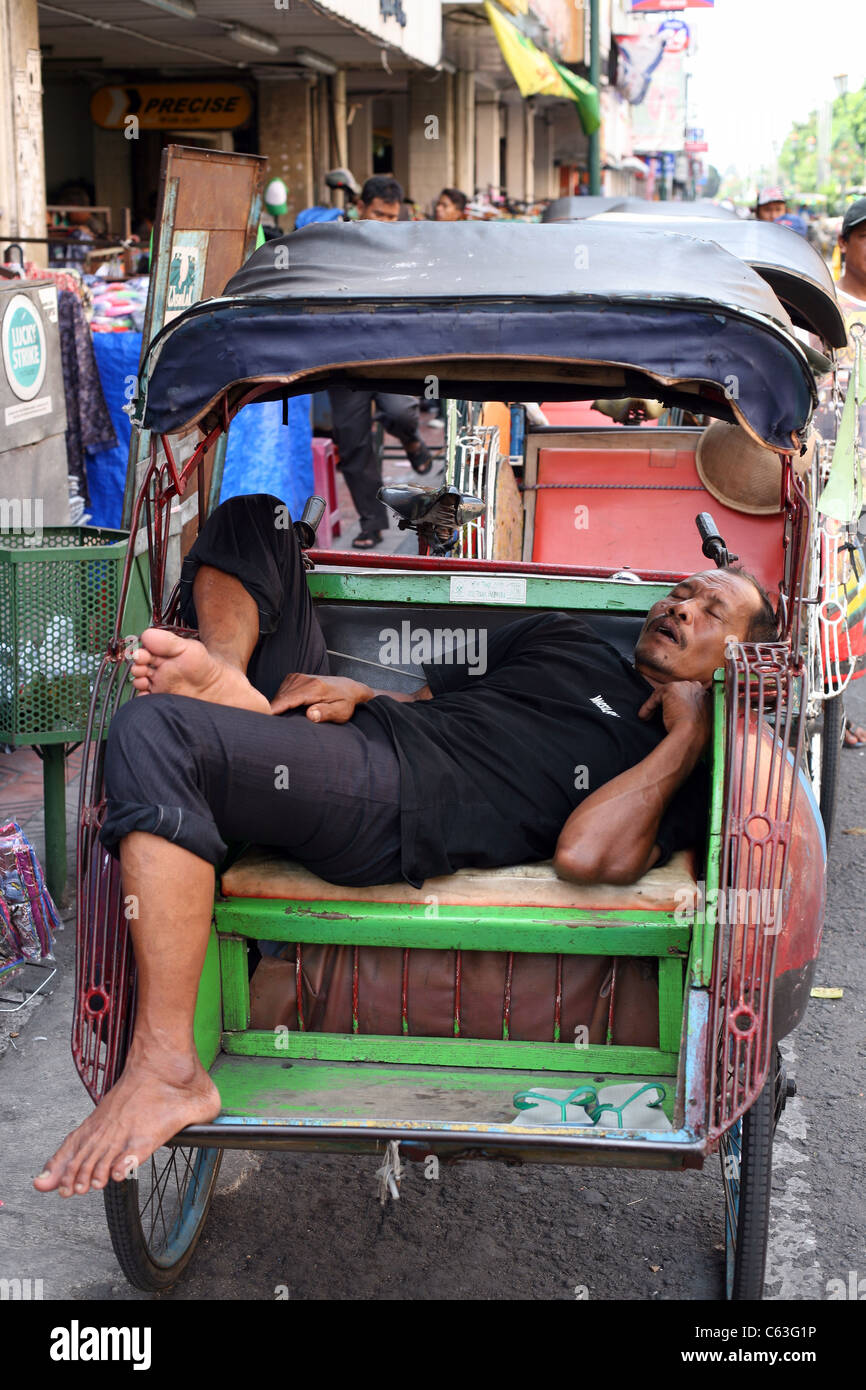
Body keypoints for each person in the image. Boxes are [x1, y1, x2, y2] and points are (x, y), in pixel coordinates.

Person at [33, 494, 779, 1198]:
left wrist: (686, 733)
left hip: (394, 802)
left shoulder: (680, 767)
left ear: (742, 665)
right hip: (351, 743)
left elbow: (587, 857)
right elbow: (434, 699)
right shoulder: (566, 638)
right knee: (256, 516)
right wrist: (361, 693)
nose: (681, 606)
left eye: (712, 611)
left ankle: (169, 1070)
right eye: (682, 591)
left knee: (151, 731)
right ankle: (231, 678)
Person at [327, 175, 433, 549]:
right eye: (377, 214)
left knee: (401, 412)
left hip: (393, 351)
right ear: (360, 207)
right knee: (353, 444)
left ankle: (412, 440)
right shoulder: (334, 241)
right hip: (343, 357)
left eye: (392, 216)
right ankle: (372, 523)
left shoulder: (407, 246)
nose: (385, 223)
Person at [812, 197, 866, 744]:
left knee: (855, 598)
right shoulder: (821, 307)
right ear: (845, 243)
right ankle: (830, 712)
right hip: (830, 474)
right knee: (829, 587)